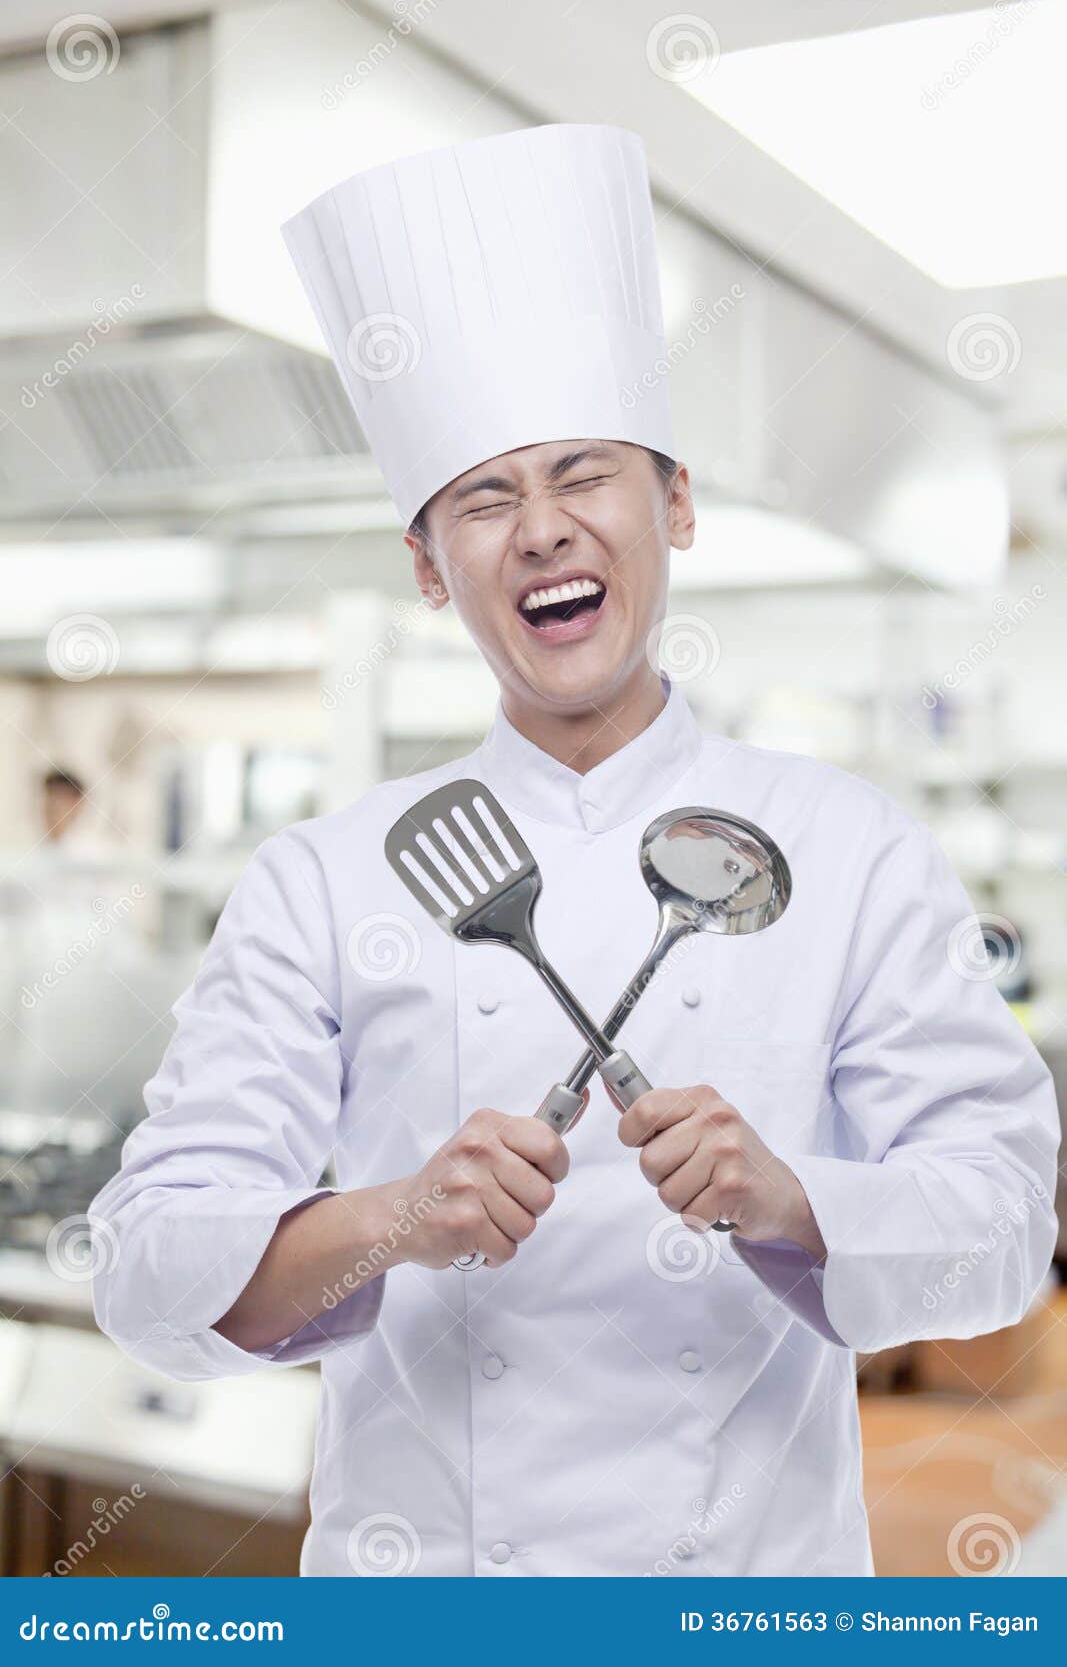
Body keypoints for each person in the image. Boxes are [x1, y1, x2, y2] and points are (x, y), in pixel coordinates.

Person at [89, 124, 1058, 1578]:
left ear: (673, 502)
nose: (541, 531)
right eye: (482, 498)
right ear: (428, 567)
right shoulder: (325, 878)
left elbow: (1001, 1225)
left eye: (584, 474)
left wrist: (790, 1198)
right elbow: (147, 1270)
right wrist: (394, 1217)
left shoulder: (850, 849)